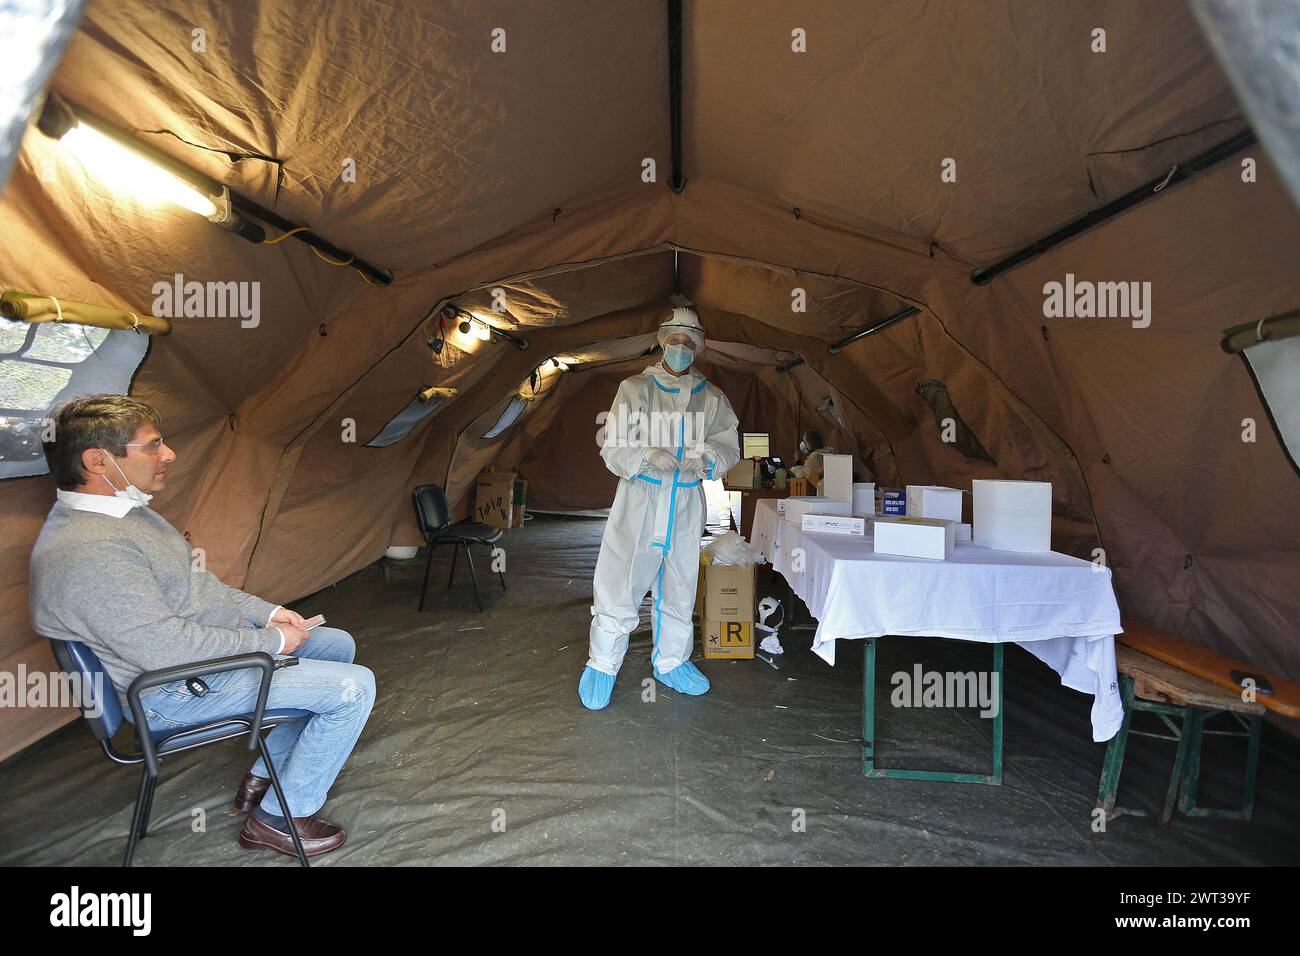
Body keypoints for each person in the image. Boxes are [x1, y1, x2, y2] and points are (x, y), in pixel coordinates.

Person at [28, 395, 374, 859]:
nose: (169, 455)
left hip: (198, 667)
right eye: (153, 446)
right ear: (98, 461)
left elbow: (198, 586)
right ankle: (278, 818)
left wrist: (269, 613)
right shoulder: (88, 550)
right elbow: (165, 649)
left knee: (333, 645)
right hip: (168, 692)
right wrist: (269, 641)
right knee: (352, 689)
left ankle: (265, 778)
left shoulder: (126, 512)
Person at [579, 308, 741, 710]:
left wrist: (706, 458)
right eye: (675, 340)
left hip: (685, 501)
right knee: (621, 581)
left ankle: (671, 661)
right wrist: (647, 454)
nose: (681, 348)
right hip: (641, 499)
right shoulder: (635, 389)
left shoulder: (713, 396)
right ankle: (602, 663)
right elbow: (613, 446)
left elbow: (728, 446)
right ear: (662, 340)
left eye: (689, 342)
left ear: (699, 347)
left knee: (681, 587)